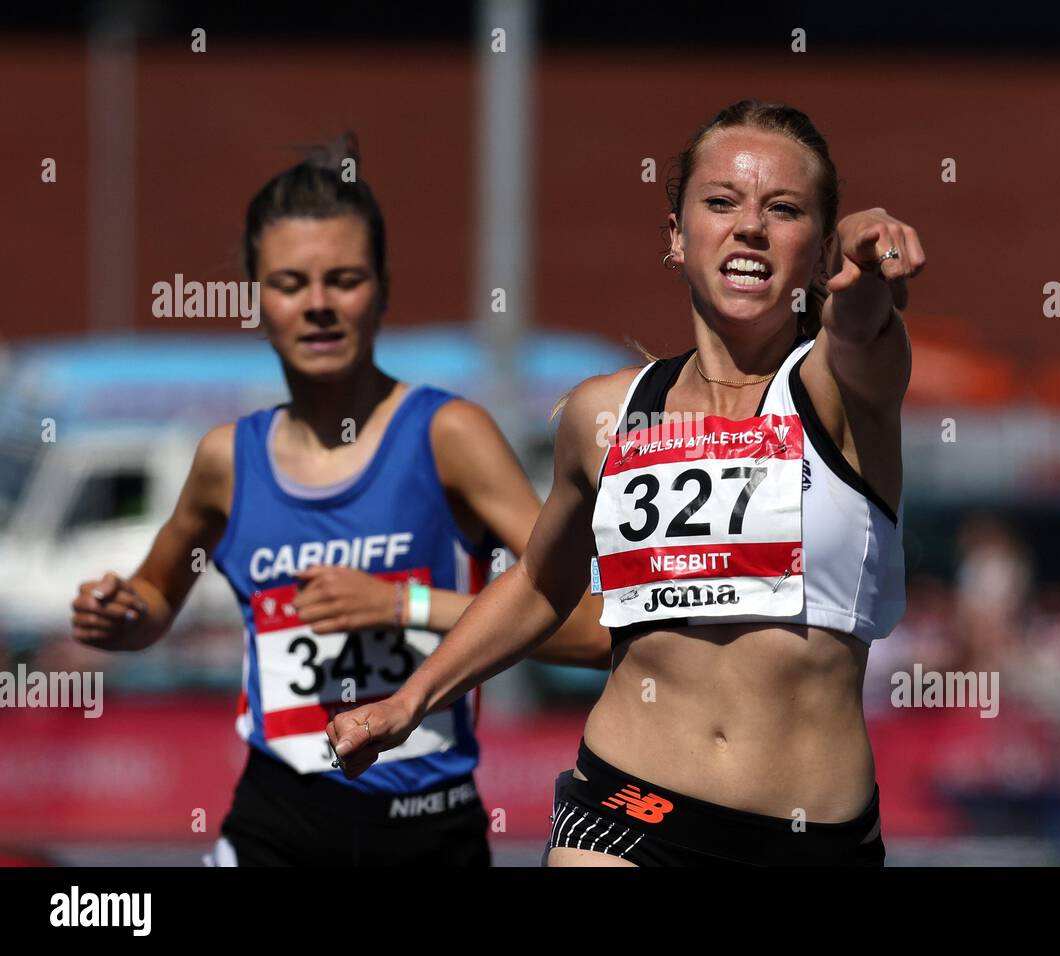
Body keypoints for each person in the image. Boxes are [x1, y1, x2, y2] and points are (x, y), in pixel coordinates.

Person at [328, 101, 921, 867]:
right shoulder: (603, 415)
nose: (750, 227)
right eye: (720, 202)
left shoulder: (842, 392)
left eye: (784, 210)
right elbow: (543, 579)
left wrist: (863, 258)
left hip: (812, 838)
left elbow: (862, 323)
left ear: (816, 250)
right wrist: (410, 702)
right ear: (676, 237)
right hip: (628, 809)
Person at [69, 135, 610, 866]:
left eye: (344, 279)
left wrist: (401, 606)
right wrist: (122, 613)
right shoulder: (227, 461)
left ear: (382, 287)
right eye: (291, 284)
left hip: (425, 831)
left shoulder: (448, 437)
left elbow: (590, 631)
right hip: (273, 828)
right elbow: (153, 603)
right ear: (256, 298)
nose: (319, 305)